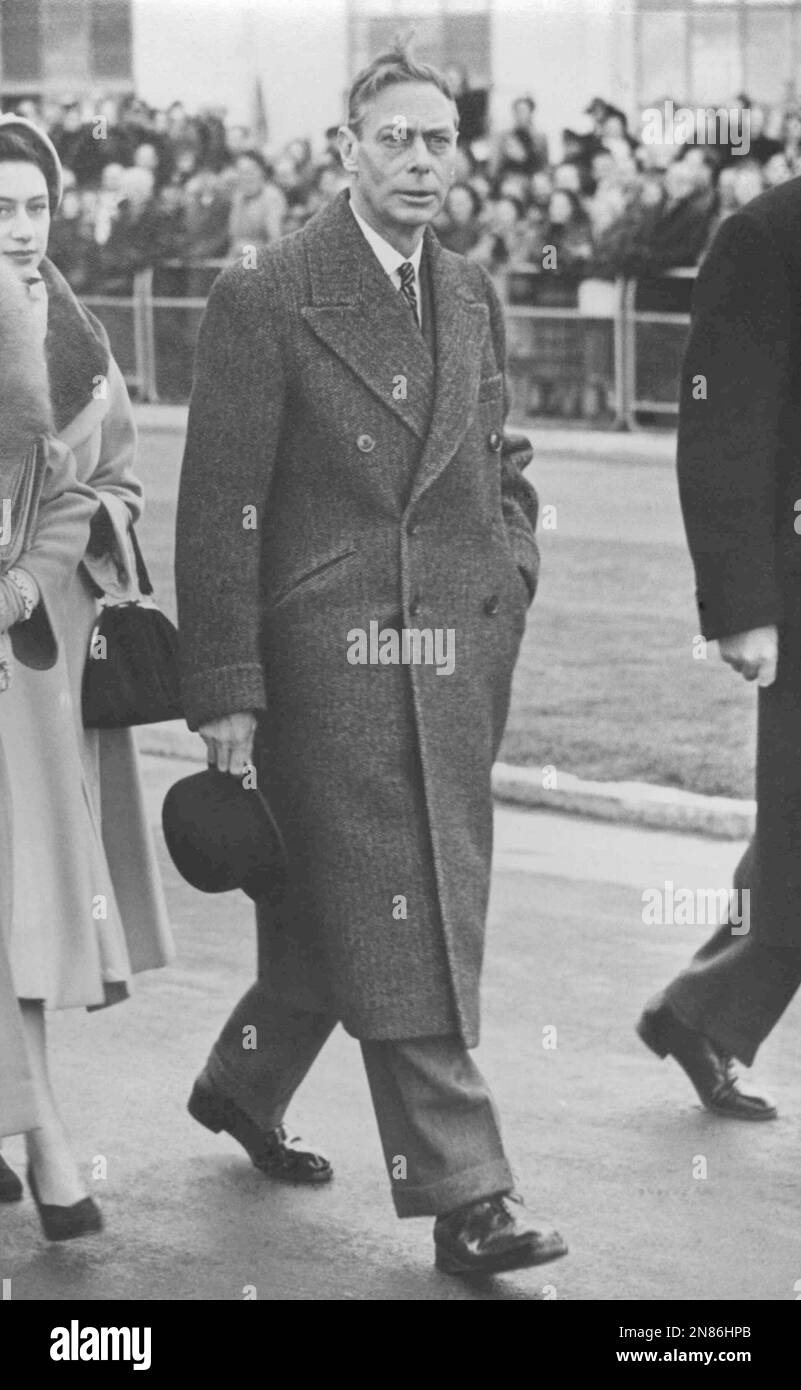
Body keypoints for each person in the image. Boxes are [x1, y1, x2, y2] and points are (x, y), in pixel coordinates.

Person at [175, 47, 567, 1278]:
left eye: (438, 140)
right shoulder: (268, 292)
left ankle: (242, 1084)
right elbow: (220, 506)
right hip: (328, 671)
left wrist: (510, 575)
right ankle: (468, 1194)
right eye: (394, 138)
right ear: (346, 147)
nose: (419, 161)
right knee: (407, 911)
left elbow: (504, 457)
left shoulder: (468, 291)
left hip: (453, 657)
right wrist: (227, 691)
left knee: (335, 912)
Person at [0, 116, 173, 1233]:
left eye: (35, 207)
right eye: (2, 208)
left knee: (26, 901)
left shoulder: (79, 335)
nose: (22, 228)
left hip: (36, 660)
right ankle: (47, 1135)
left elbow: (115, 477)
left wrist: (37, 567)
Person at [636, 163, 801, 1121]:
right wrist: (741, 606)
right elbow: (723, 430)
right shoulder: (766, 235)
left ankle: (703, 1011)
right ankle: (703, 1011)